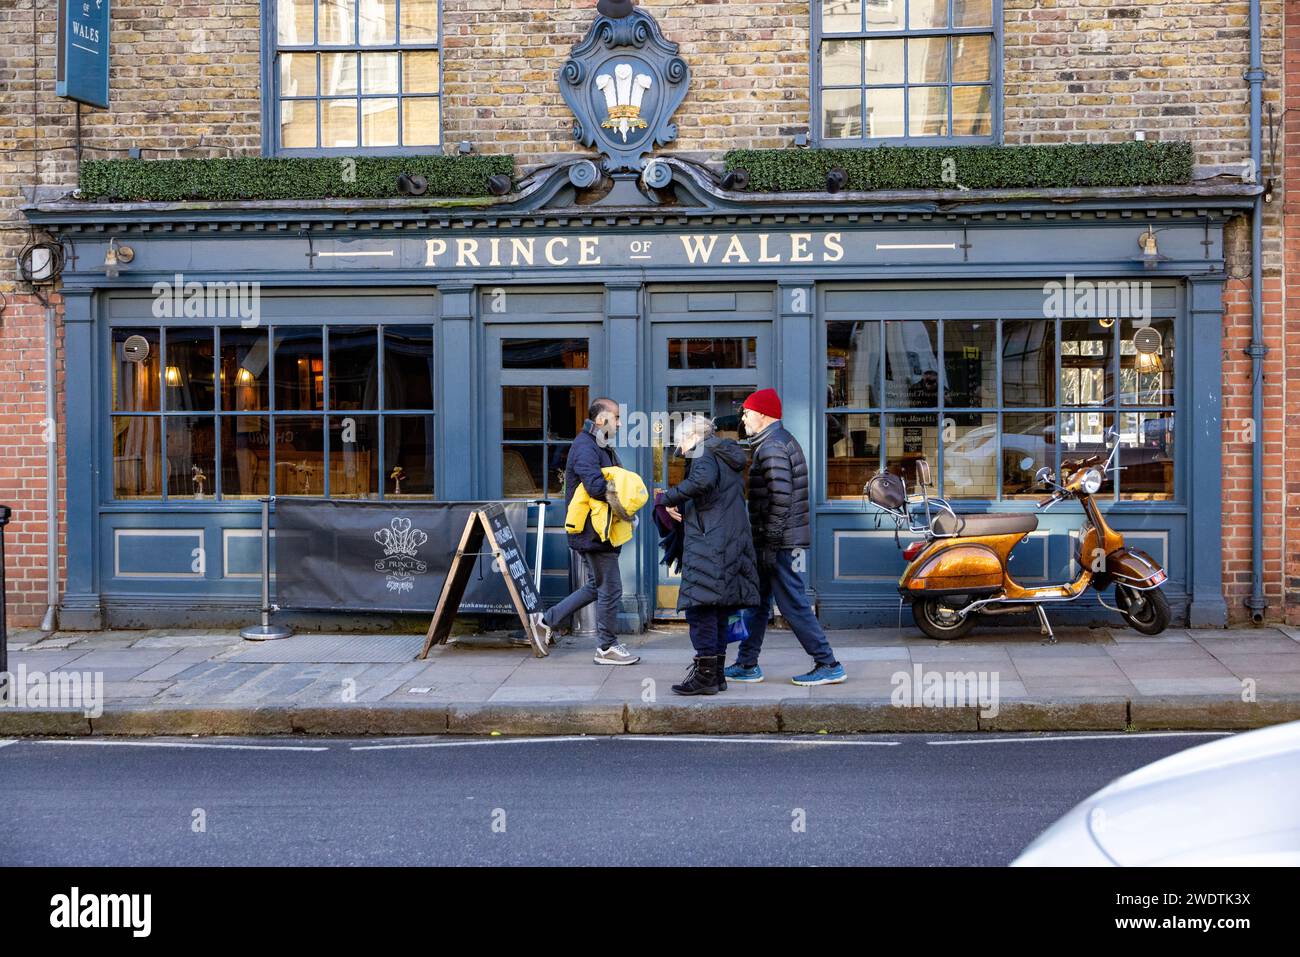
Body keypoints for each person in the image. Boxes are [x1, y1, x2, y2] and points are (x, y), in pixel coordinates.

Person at [728, 388, 847, 686]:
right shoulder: (777, 442)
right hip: (776, 540)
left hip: (781, 543)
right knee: (756, 603)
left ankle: (828, 663)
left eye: (747, 412)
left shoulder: (772, 447)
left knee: (793, 604)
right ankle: (746, 663)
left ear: (763, 414)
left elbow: (780, 499)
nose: (743, 417)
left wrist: (770, 542)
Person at [529, 398, 640, 665]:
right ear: (602, 420)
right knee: (610, 588)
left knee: (595, 586)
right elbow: (596, 486)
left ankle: (546, 621)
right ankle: (606, 648)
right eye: (616, 418)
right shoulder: (585, 447)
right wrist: (626, 508)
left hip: (599, 529)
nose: (620, 423)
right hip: (594, 532)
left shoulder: (596, 443)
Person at [659, 414, 760, 695]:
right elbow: (710, 493)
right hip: (729, 540)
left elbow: (702, 482)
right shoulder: (723, 454)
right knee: (716, 609)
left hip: (710, 543)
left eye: (679, 441)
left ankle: (705, 677)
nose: (679, 448)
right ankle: (716, 675)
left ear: (691, 436)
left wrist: (668, 497)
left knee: (700, 609)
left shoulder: (702, 452)